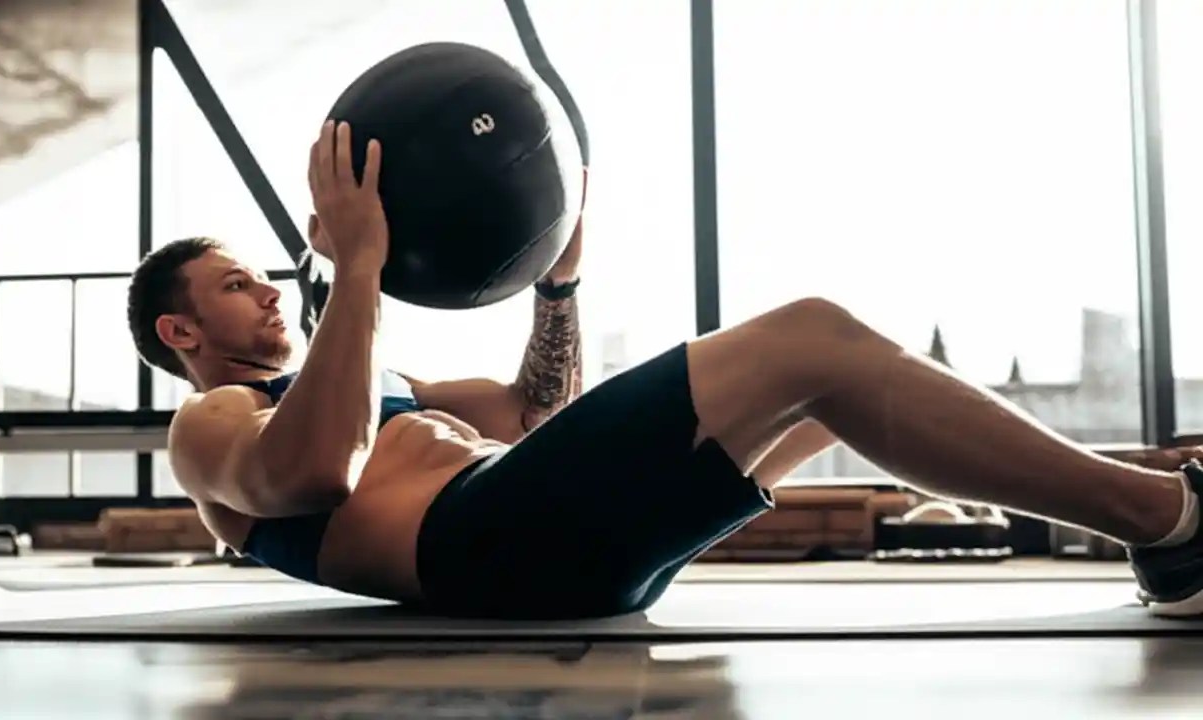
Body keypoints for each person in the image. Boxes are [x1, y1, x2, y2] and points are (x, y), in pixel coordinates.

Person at [128, 120, 1203, 620]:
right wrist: (358, 264)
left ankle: (1134, 494)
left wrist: (559, 285)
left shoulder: (378, 382)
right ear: (181, 330)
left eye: (260, 275)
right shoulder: (209, 425)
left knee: (831, 393)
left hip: (546, 541)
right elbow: (316, 473)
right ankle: (1175, 524)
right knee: (808, 335)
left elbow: (534, 412)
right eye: (233, 284)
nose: (267, 288)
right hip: (483, 552)